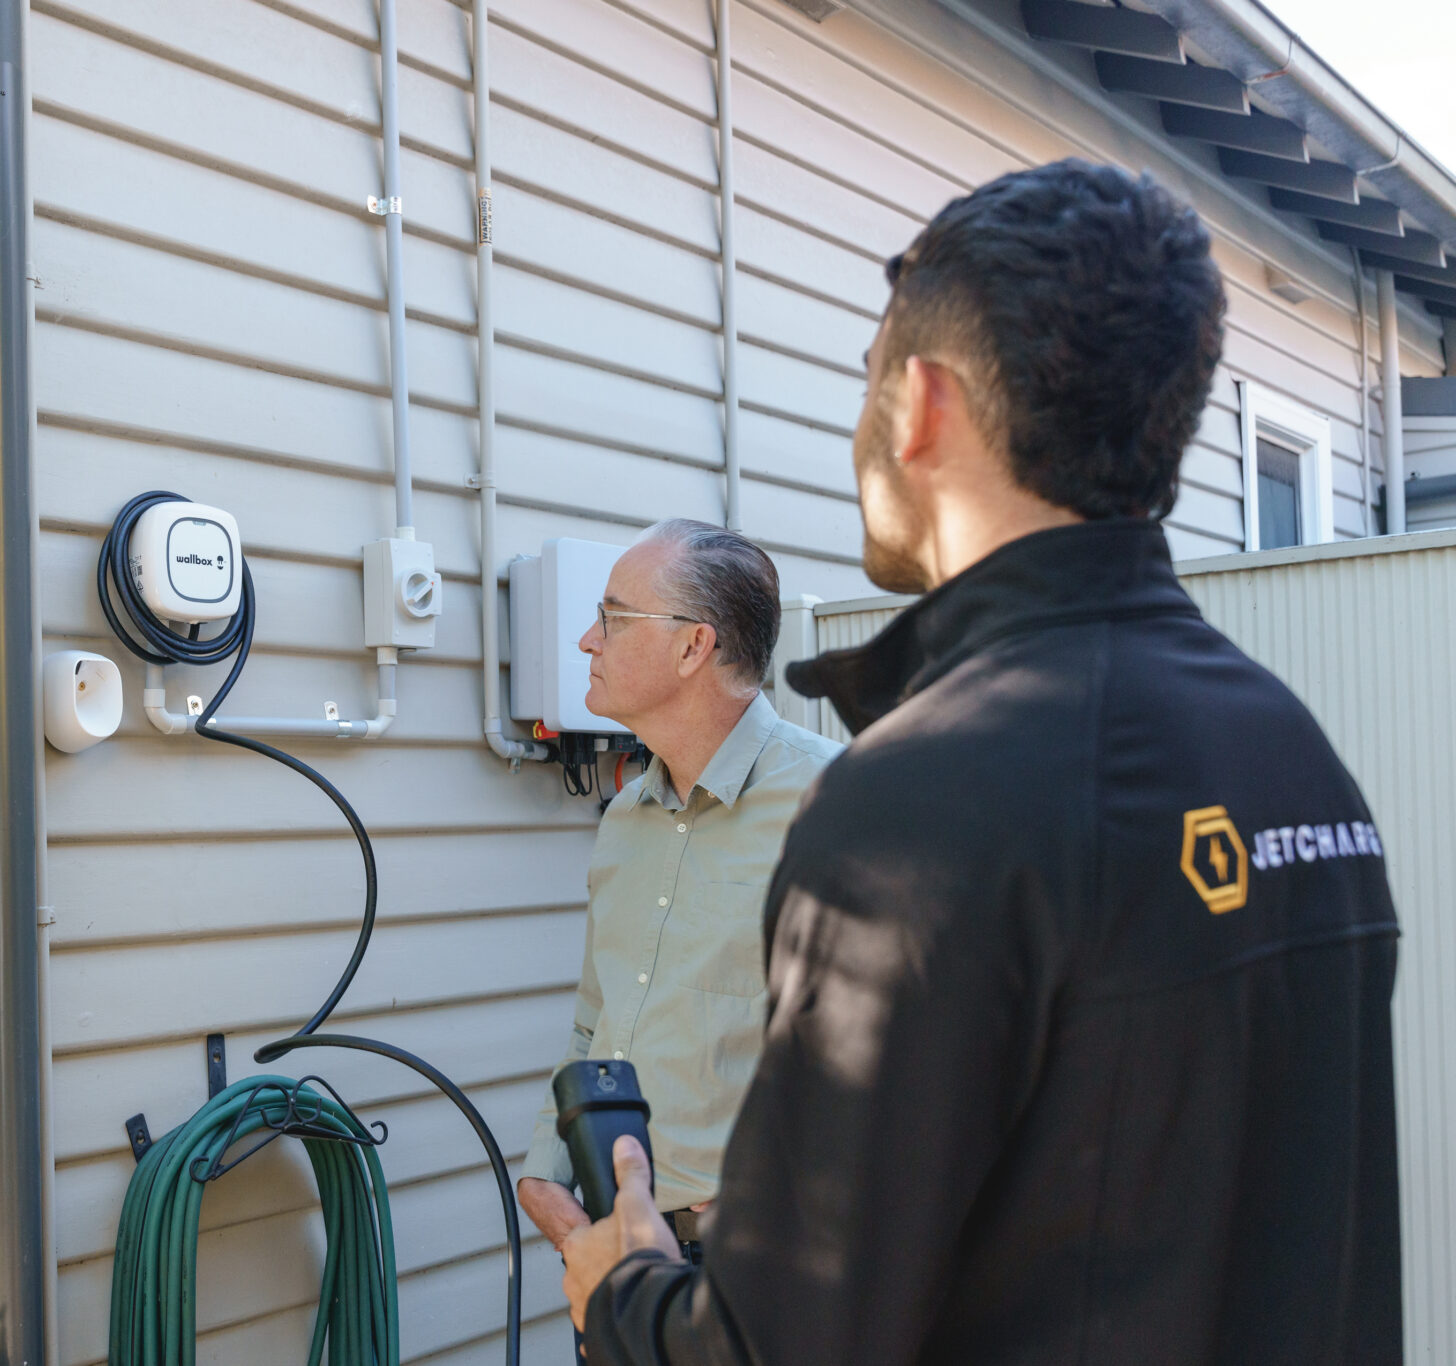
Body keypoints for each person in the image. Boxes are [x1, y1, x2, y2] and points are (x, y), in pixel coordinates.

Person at [563, 160, 1403, 1365]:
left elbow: (779, 1345)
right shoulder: (1293, 758)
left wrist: (622, 1288)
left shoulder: (916, 806)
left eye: (866, 380)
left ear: (919, 405)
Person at [516, 519, 842, 1322]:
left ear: (694, 646)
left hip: (767, 1276)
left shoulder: (838, 805)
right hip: (616, 1256)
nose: (587, 640)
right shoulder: (625, 819)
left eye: (614, 617)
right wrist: (545, 1175)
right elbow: (596, 1022)